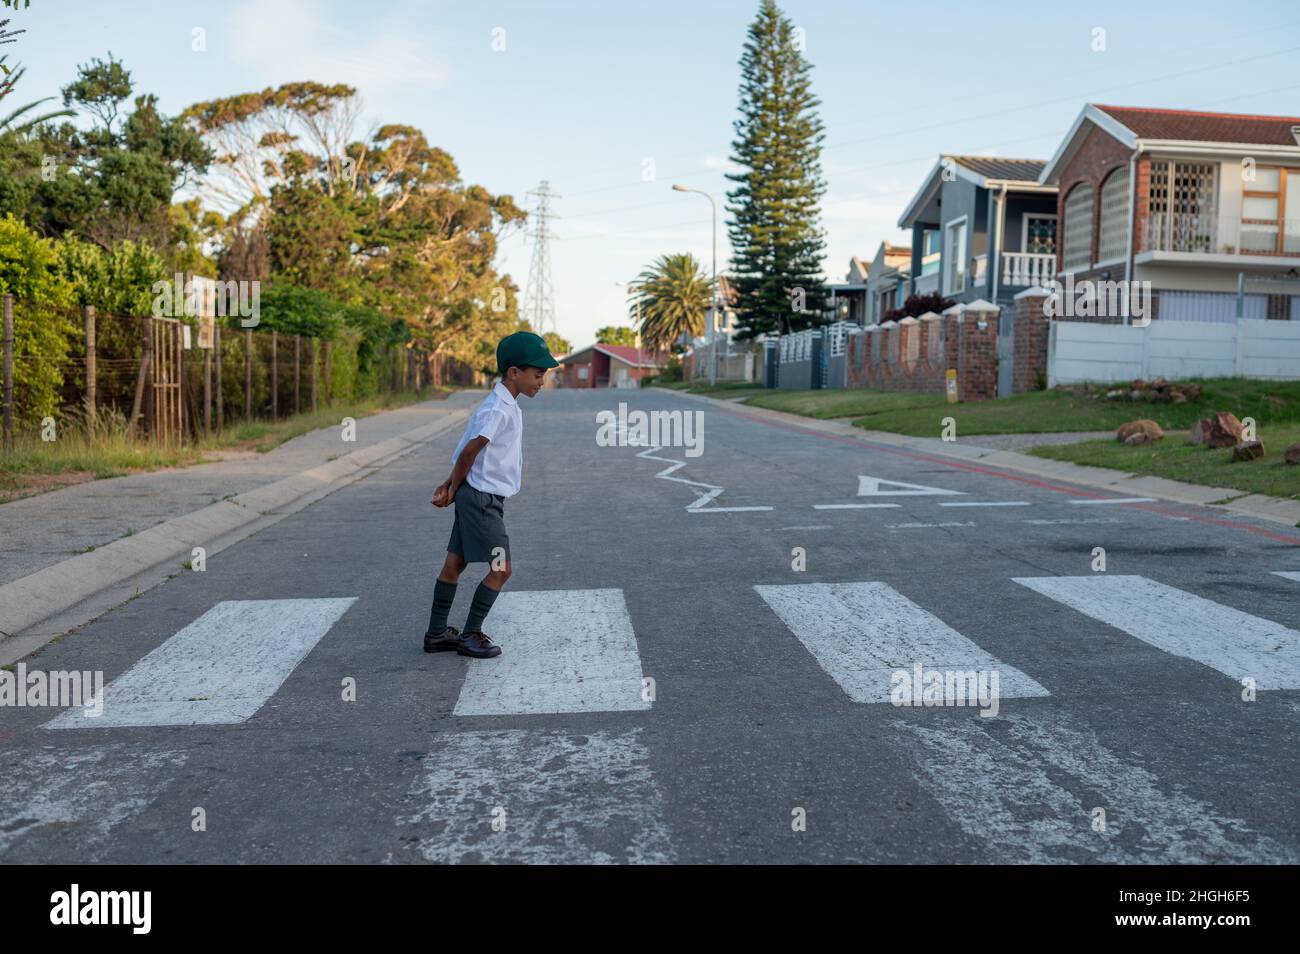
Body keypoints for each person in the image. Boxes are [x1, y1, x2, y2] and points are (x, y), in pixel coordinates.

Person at [423, 331, 558, 658]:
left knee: (456, 561)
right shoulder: (499, 408)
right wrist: (453, 488)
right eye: (538, 375)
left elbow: (470, 452)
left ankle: (437, 633)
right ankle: (471, 635)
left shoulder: (501, 403)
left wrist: (452, 484)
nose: (542, 381)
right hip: (481, 501)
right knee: (501, 569)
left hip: (476, 495)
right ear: (514, 373)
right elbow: (470, 451)